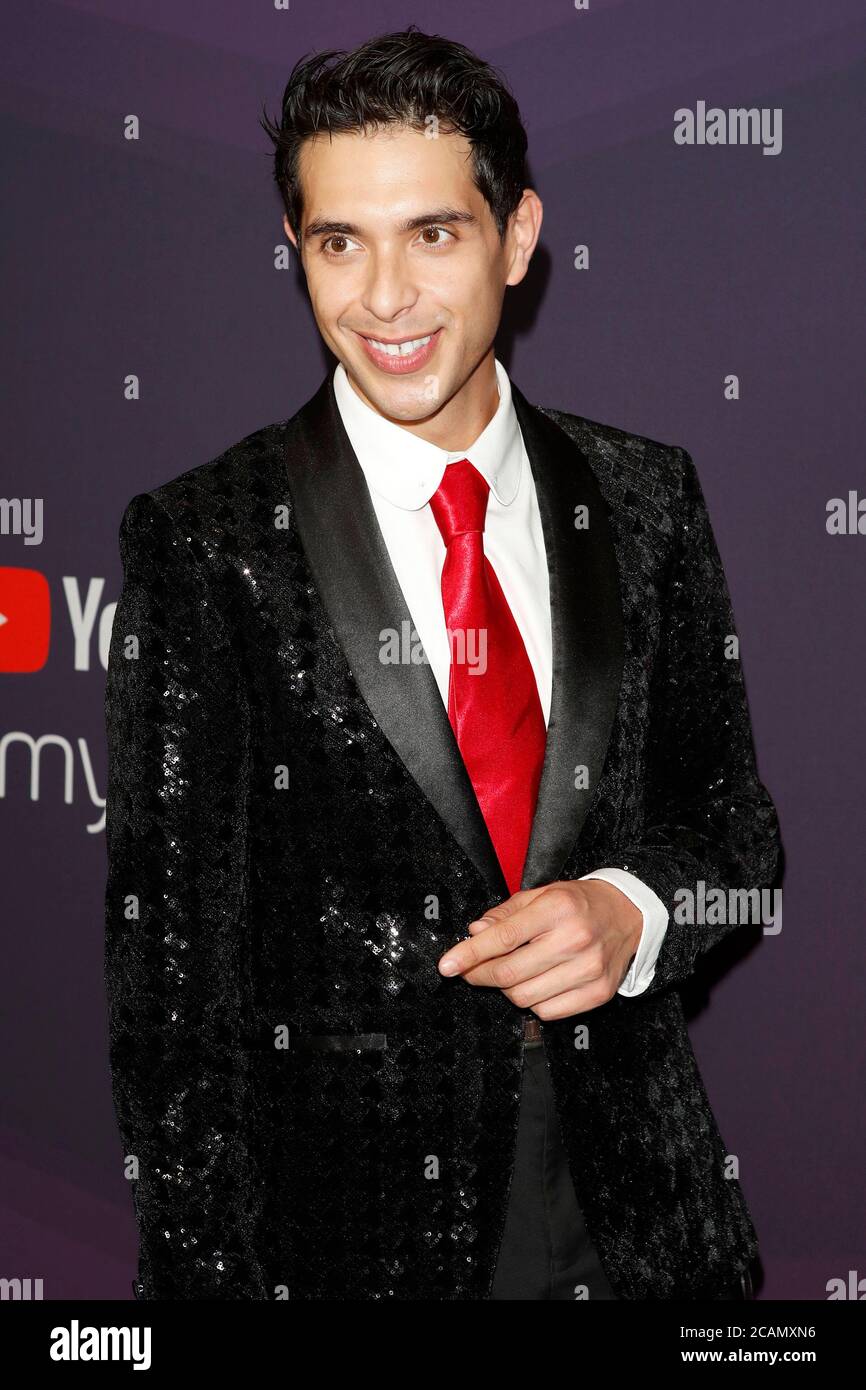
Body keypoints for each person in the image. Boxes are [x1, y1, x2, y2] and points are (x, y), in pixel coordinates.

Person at [103, 26, 780, 1301]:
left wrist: (630, 909)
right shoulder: (206, 542)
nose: (382, 300)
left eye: (432, 234)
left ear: (517, 237)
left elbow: (734, 827)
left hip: (640, 1221)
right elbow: (172, 1003)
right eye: (337, 242)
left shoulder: (641, 497)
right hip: (352, 1248)